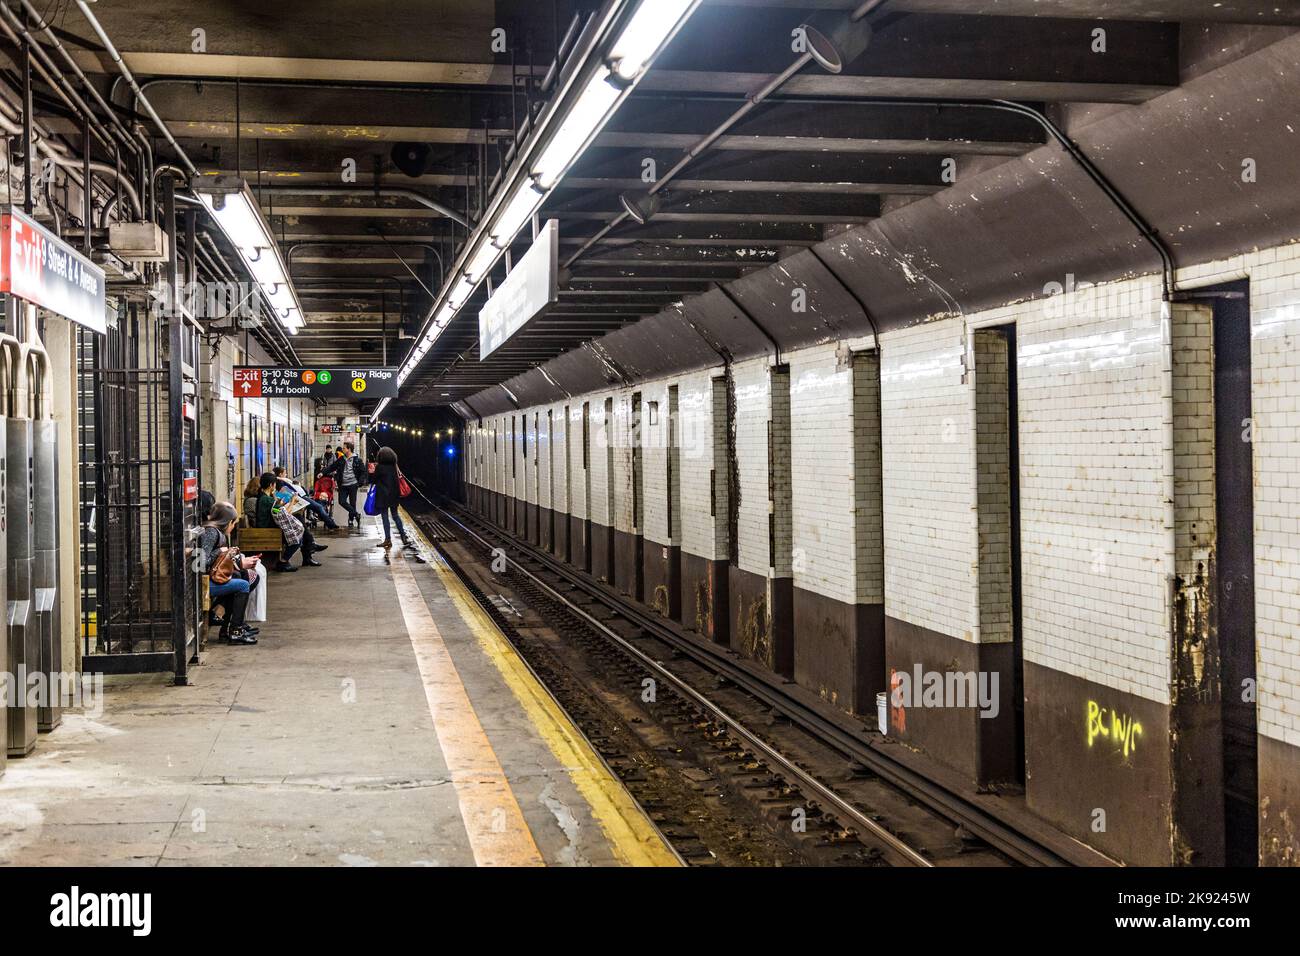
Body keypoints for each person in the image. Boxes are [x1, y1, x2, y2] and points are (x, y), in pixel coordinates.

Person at [197, 502, 261, 645]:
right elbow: (203, 561)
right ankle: (236, 630)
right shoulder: (211, 533)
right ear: (228, 522)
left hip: (210, 578)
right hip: (203, 582)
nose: (233, 528)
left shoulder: (215, 532)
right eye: (233, 523)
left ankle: (228, 629)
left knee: (240, 576)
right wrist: (221, 551)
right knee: (243, 585)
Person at [255, 472, 323, 570]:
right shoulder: (267, 500)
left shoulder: (265, 497)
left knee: (299, 519)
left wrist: (279, 502)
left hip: (269, 524)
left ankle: (309, 546)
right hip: (269, 528)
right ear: (271, 485)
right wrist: (292, 501)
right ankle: (284, 561)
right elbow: (284, 512)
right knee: (298, 538)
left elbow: (276, 510)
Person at [273, 465, 339, 530]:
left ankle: (329, 523)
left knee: (318, 508)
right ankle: (331, 525)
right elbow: (285, 492)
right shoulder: (280, 481)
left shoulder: (283, 480)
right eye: (285, 473)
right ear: (280, 474)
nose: (286, 474)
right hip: (299, 498)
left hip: (300, 497)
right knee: (319, 507)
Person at [371, 446, 409, 550]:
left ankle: (388, 540)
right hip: (394, 495)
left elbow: (373, 480)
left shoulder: (379, 467)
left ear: (381, 456)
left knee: (385, 517)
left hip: (383, 496)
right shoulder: (394, 466)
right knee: (395, 516)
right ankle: (403, 536)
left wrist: (373, 472)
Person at [326, 441, 365, 528]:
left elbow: (363, 472)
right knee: (341, 501)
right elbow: (332, 467)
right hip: (343, 485)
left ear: (349, 449)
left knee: (352, 503)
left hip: (353, 484)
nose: (342, 449)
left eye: (344, 448)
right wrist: (322, 472)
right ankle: (356, 514)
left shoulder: (357, 460)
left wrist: (360, 482)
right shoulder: (341, 459)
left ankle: (351, 519)